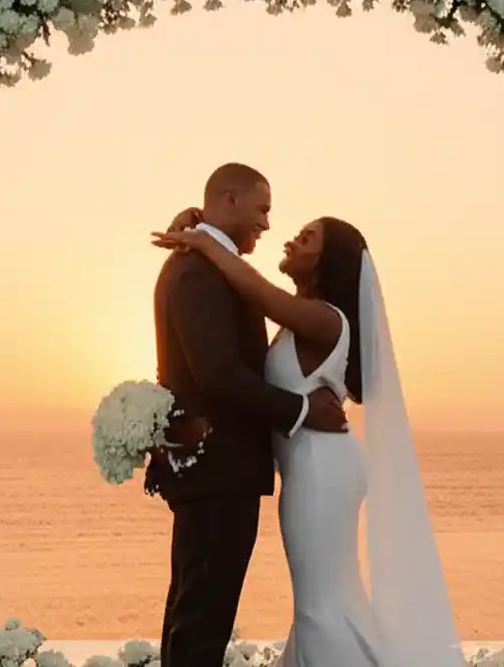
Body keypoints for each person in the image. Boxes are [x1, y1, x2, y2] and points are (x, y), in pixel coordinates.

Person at [151, 206, 465, 666]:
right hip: (311, 466)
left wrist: (206, 240)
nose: (289, 240)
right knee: (325, 596)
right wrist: (202, 234)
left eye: (306, 237)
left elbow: (256, 290)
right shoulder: (298, 323)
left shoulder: (326, 319)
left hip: (321, 469)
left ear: (327, 261)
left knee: (321, 603)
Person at [147, 163, 349, 667]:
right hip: (221, 467)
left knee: (194, 612)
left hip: (218, 468)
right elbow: (217, 373)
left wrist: (199, 229)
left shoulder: (203, 260)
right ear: (230, 199)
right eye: (262, 209)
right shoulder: (199, 268)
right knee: (200, 619)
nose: (267, 224)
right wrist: (303, 408)